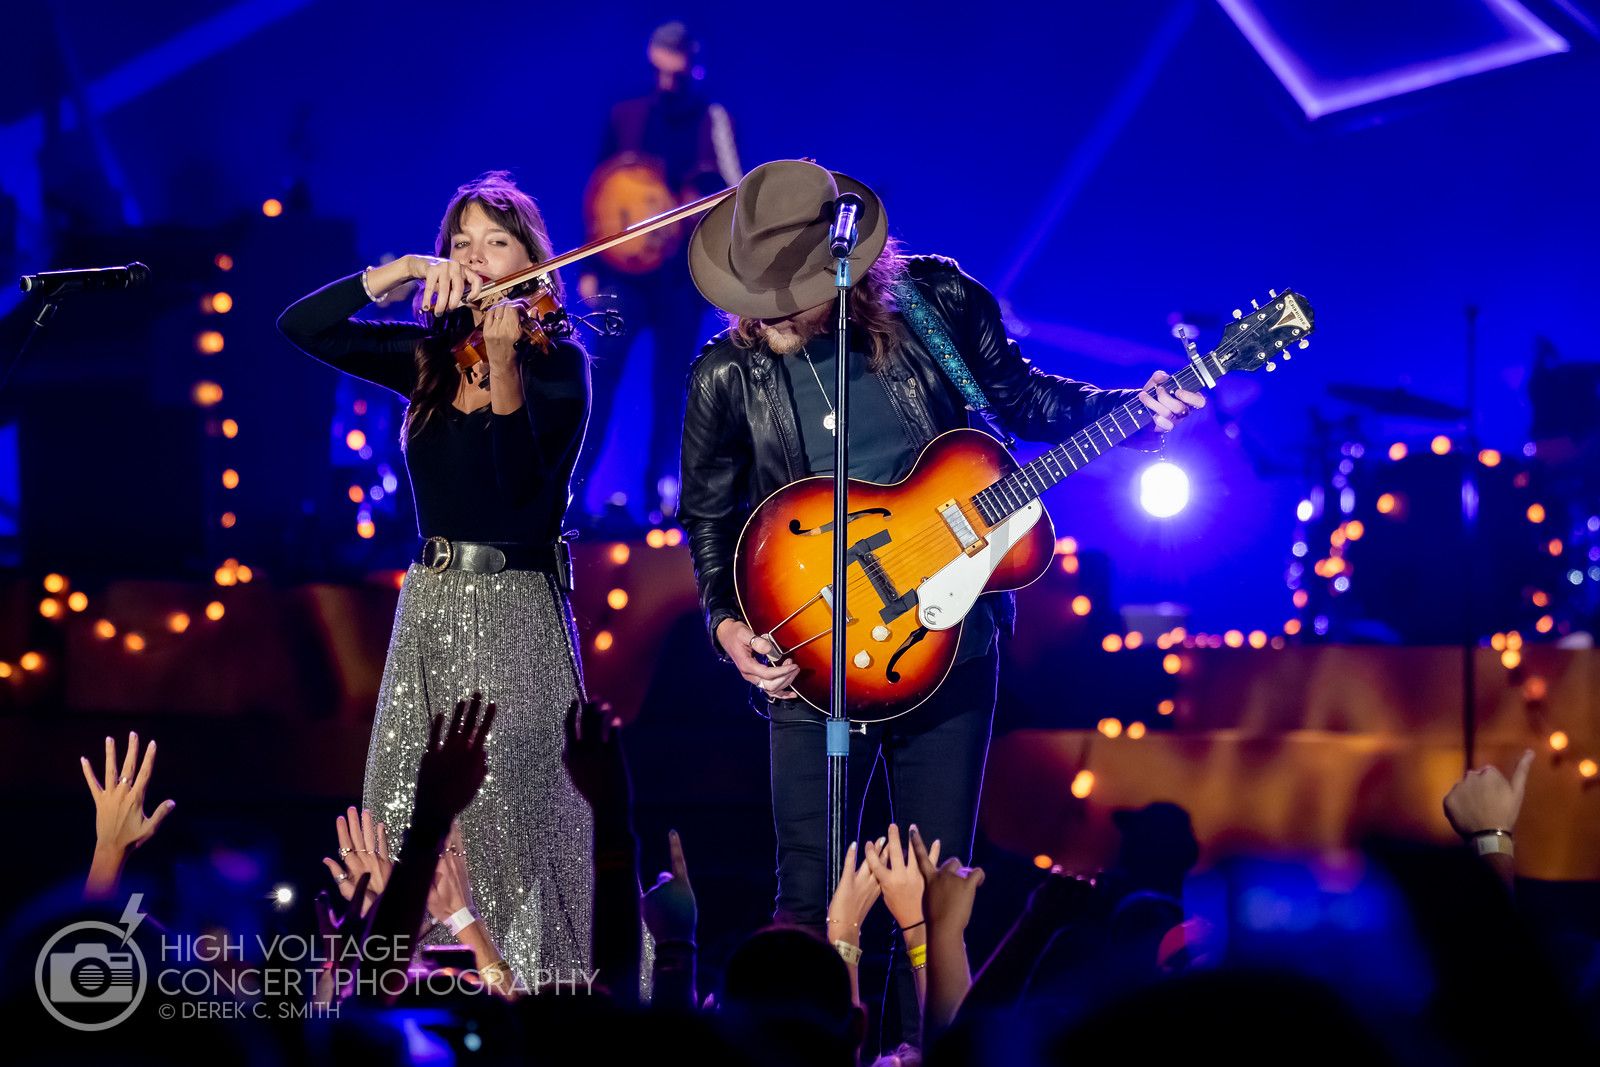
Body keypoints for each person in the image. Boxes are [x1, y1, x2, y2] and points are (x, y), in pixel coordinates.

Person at [676, 158, 1204, 1035]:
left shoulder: (938, 304)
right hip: (810, 650)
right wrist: (725, 620)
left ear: (845, 269)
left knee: (930, 895)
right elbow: (707, 514)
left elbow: (1027, 398)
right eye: (758, 293)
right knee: (810, 891)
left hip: (952, 641)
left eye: (793, 291)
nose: (771, 314)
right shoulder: (724, 374)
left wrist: (1133, 407)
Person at [277, 172, 593, 987]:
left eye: (498, 242)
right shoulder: (425, 357)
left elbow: (516, 486)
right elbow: (301, 325)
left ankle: (530, 1002)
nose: (479, 259)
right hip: (431, 610)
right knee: (409, 820)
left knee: (517, 816)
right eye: (463, 243)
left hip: (519, 610)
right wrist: (403, 271)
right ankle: (403, 1004)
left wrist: (504, 368)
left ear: (531, 260)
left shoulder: (562, 366)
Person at [575, 20, 742, 525]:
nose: (668, 84)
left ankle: (654, 500)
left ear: (693, 68)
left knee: (670, 388)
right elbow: (598, 189)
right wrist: (590, 263)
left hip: (678, 280)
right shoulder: (626, 116)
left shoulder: (712, 119)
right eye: (660, 72)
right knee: (599, 380)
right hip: (623, 276)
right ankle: (572, 496)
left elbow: (733, 190)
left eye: (678, 74)